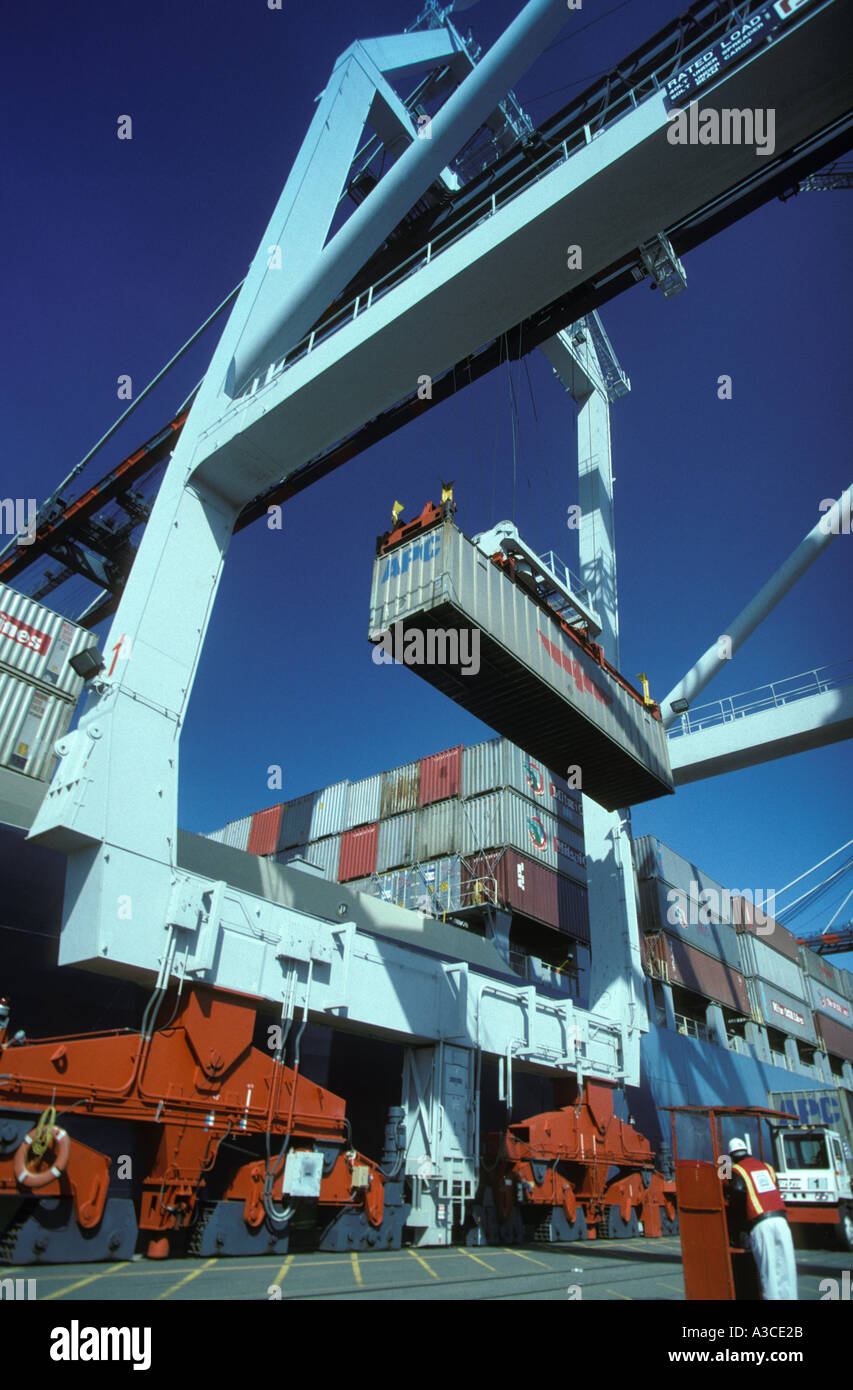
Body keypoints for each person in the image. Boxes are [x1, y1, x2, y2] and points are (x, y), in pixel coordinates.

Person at [726, 1137, 798, 1300]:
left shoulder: (738, 1171)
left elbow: (738, 1192)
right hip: (781, 1221)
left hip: (761, 1224)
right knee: (787, 1270)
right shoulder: (767, 1168)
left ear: (732, 1156)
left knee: (769, 1272)